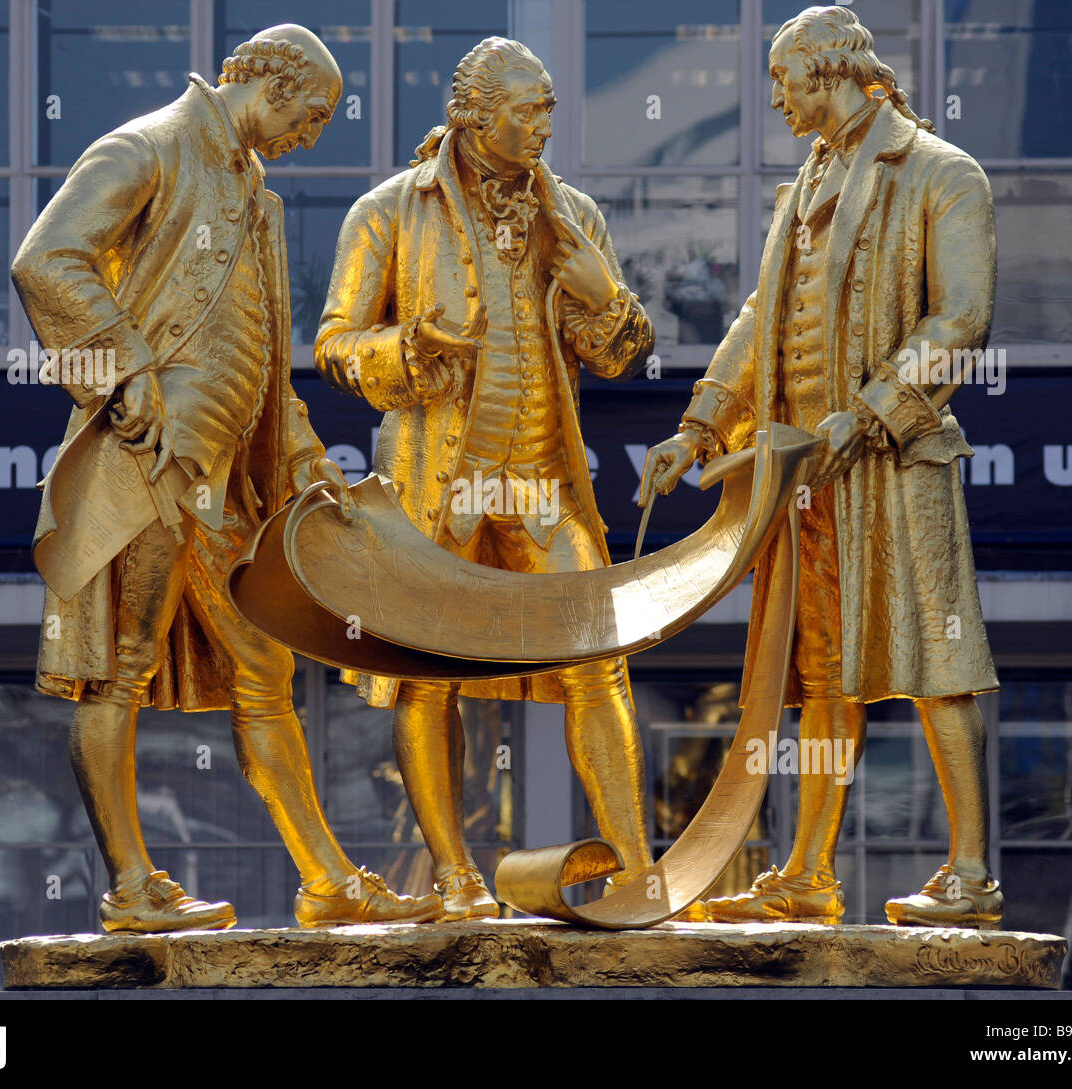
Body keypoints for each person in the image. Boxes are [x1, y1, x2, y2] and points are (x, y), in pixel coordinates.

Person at [12, 24, 440, 932]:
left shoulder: (259, 198)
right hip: (147, 465)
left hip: (219, 480)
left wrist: (305, 462)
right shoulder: (147, 146)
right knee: (119, 670)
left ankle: (326, 883)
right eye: (312, 114)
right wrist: (125, 373)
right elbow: (46, 259)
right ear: (268, 81)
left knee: (263, 663)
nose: (313, 135)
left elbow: (264, 363)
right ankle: (132, 887)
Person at [640, 5, 1003, 928]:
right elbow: (763, 318)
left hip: (894, 466)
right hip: (798, 476)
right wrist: (700, 421)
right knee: (818, 674)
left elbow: (960, 322)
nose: (775, 97)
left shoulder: (938, 172)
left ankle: (970, 872)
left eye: (783, 79)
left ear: (829, 70)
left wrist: (872, 412)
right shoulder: (804, 185)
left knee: (939, 657)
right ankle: (808, 872)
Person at [316, 37, 657, 920]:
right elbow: (333, 344)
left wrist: (604, 294)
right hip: (437, 485)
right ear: (473, 115)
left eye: (550, 104)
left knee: (598, 663)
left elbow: (620, 356)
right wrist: (403, 353)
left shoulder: (572, 213)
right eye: (529, 107)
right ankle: (456, 876)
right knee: (428, 674)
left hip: (542, 482)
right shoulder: (388, 211)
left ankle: (635, 871)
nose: (547, 121)